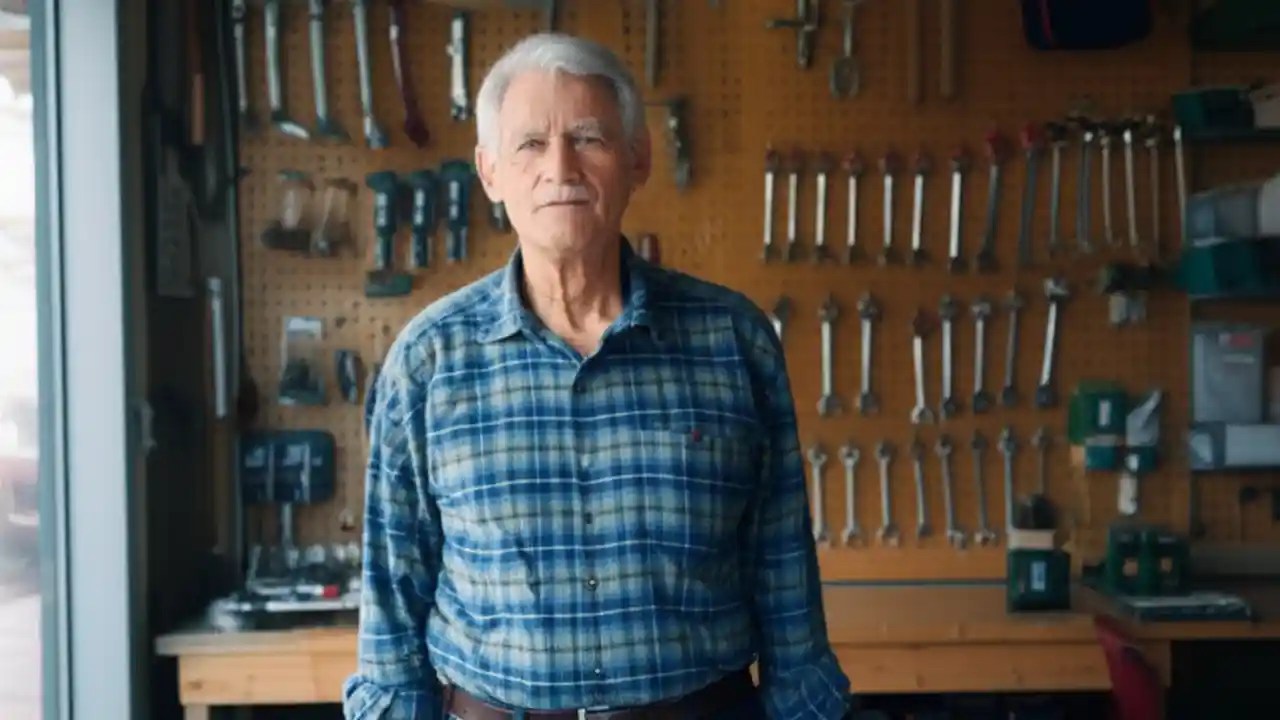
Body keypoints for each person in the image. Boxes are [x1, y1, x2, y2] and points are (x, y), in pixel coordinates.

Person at [343, 33, 851, 720]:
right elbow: (392, 604)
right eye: (530, 144)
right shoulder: (429, 361)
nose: (561, 167)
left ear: (638, 158)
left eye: (589, 138)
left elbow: (783, 570)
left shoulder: (733, 340)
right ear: (489, 172)